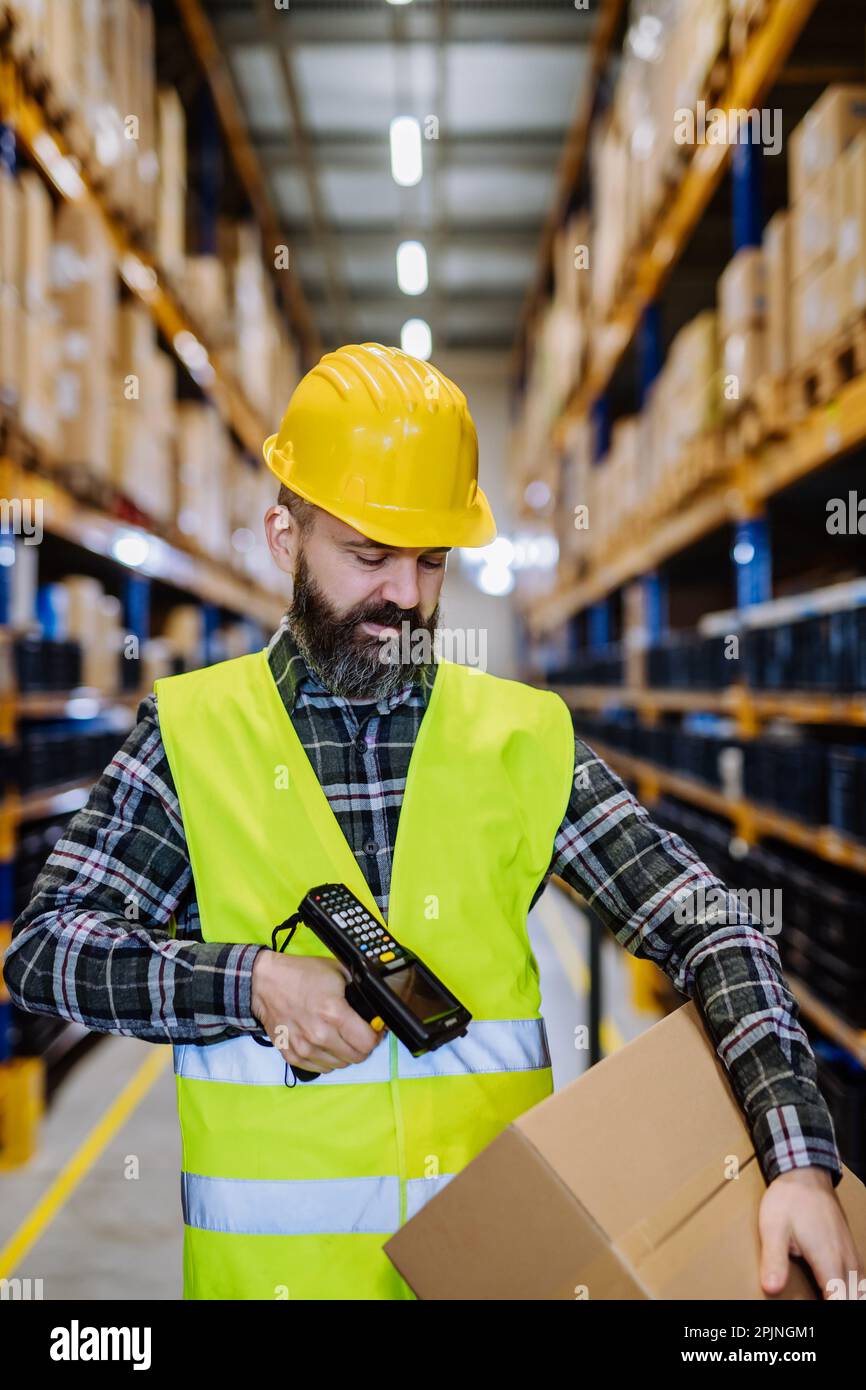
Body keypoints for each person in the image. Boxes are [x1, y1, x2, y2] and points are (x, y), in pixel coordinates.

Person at [5, 343, 862, 1301]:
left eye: (430, 562)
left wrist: (796, 1160)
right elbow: (45, 951)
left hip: (499, 1281)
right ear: (284, 536)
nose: (406, 597)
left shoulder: (520, 737)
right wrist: (249, 983)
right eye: (369, 556)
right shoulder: (193, 734)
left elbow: (709, 923)